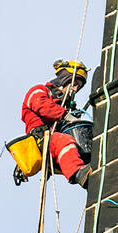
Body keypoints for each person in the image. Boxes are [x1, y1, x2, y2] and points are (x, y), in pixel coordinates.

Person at [19, 59, 92, 187]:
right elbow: (41, 105)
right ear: (64, 80)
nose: (75, 89)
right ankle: (78, 174)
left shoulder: (64, 105)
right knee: (64, 141)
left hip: (53, 144)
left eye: (78, 87)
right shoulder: (39, 90)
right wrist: (65, 115)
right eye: (74, 83)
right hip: (42, 139)